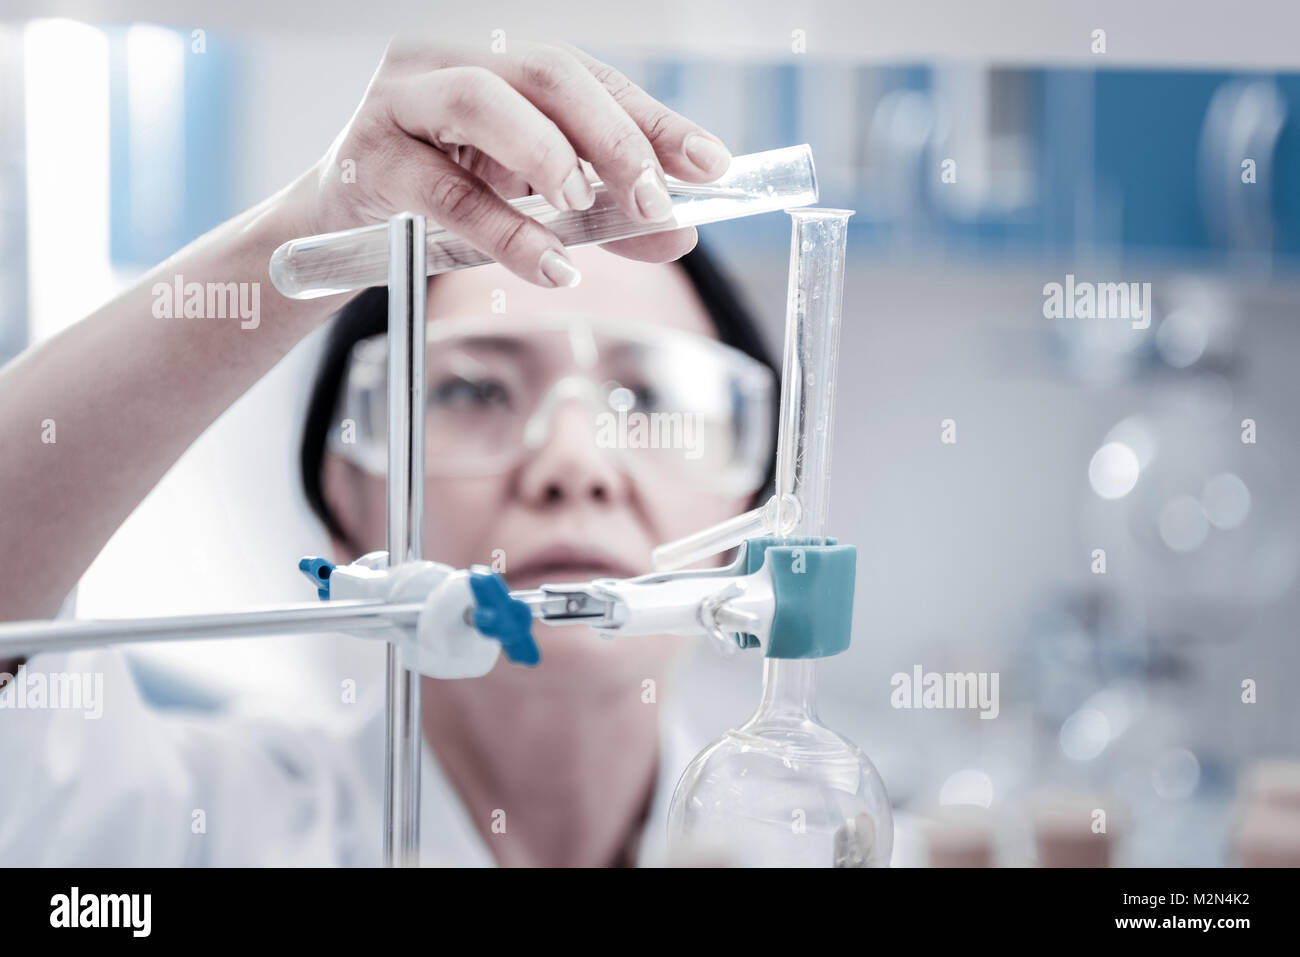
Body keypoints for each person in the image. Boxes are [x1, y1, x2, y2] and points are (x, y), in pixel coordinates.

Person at [0, 38, 778, 866]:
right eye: (474, 391)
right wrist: (315, 227)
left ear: (748, 510)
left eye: (652, 398)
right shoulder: (193, 834)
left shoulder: (824, 840)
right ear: (347, 500)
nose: (574, 463)